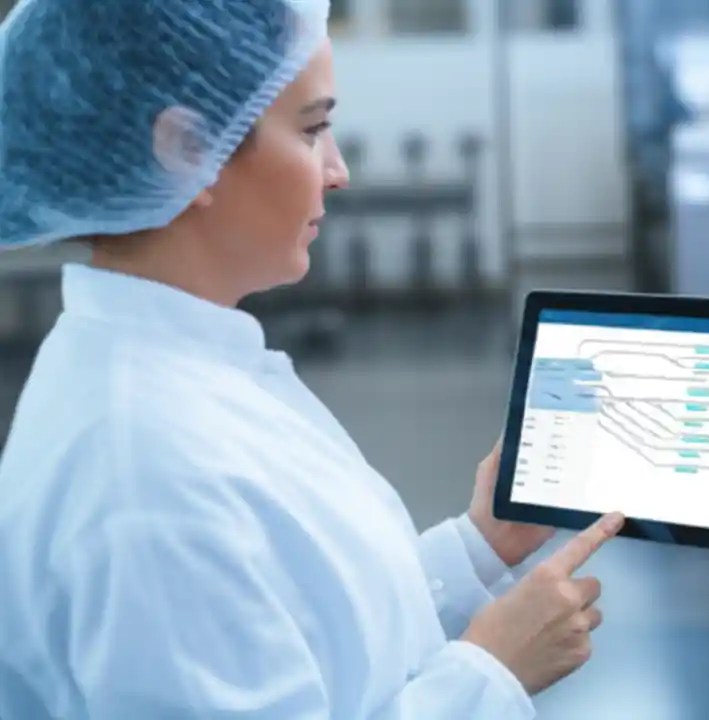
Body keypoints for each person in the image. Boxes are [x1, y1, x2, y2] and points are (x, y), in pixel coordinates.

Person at [0, 0, 624, 717]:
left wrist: (479, 548)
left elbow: (303, 625)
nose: (338, 170)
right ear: (186, 147)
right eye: (312, 129)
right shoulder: (145, 475)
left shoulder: (180, 375)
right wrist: (490, 672)